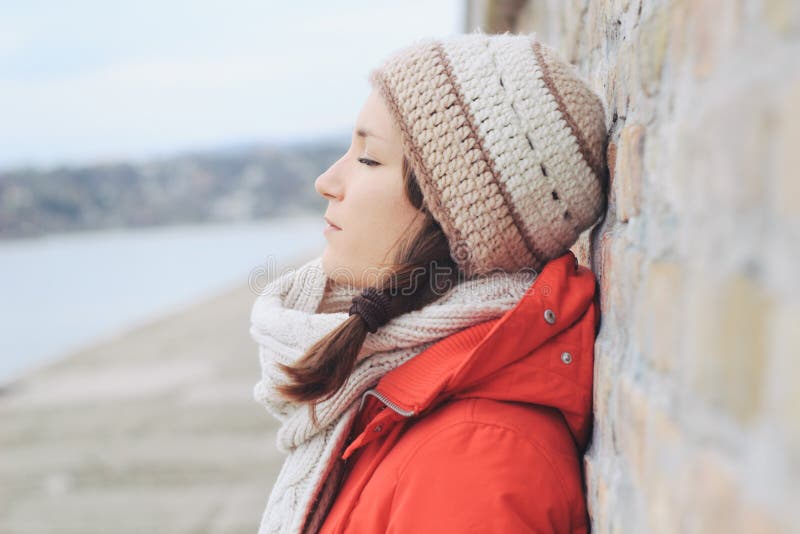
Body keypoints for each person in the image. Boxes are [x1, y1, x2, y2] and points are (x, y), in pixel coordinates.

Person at [250, 30, 608, 534]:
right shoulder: (401, 386)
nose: (327, 181)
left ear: (457, 220)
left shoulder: (474, 463)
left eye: (369, 158)